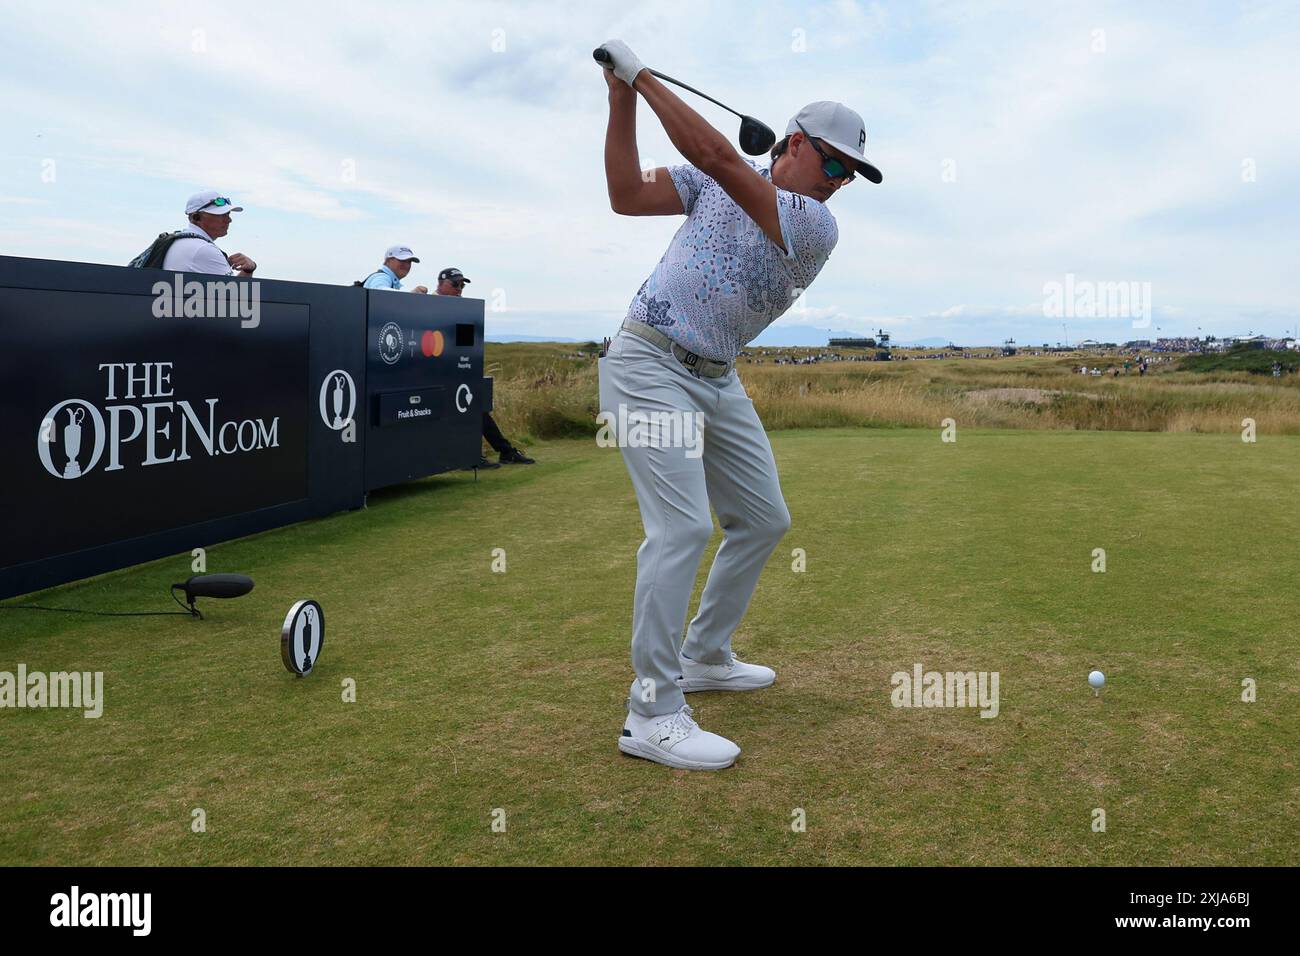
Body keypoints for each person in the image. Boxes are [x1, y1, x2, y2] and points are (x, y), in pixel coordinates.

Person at [595, 39, 880, 770]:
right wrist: (621, 97)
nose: (843, 181)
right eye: (836, 164)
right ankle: (651, 711)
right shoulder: (709, 182)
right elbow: (626, 193)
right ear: (793, 144)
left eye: (853, 173)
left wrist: (645, 76)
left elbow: (724, 160)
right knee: (682, 529)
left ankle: (703, 656)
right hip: (647, 361)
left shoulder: (815, 223)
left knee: (763, 519)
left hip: (717, 377)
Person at [436, 267, 536, 467]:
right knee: (460, 414)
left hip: (458, 373)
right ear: (441, 284)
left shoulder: (460, 309)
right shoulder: (428, 305)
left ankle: (503, 451)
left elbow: (464, 343)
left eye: (462, 285)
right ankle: (473, 454)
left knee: (478, 409)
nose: (459, 288)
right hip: (436, 375)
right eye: (455, 284)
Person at [156, 190, 258, 276]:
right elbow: (236, 295)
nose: (229, 220)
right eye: (221, 215)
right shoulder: (203, 249)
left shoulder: (178, 241)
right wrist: (250, 269)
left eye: (228, 214)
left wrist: (248, 270)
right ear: (197, 218)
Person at [361, 246, 428, 293]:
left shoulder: (390, 280)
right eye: (402, 260)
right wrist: (412, 294)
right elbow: (379, 291)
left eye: (409, 261)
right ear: (387, 261)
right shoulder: (382, 277)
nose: (407, 265)